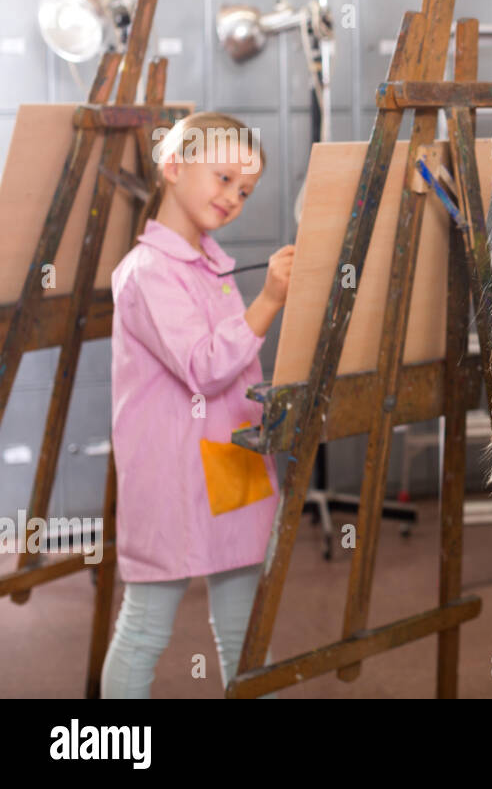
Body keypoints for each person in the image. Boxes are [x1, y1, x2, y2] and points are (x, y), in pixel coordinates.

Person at [101, 112, 295, 698]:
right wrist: (270, 302)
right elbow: (205, 367)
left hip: (231, 459)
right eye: (223, 177)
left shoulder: (213, 265)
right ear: (173, 166)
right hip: (170, 478)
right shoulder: (146, 273)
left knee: (243, 633)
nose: (233, 196)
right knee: (145, 629)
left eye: (244, 189)